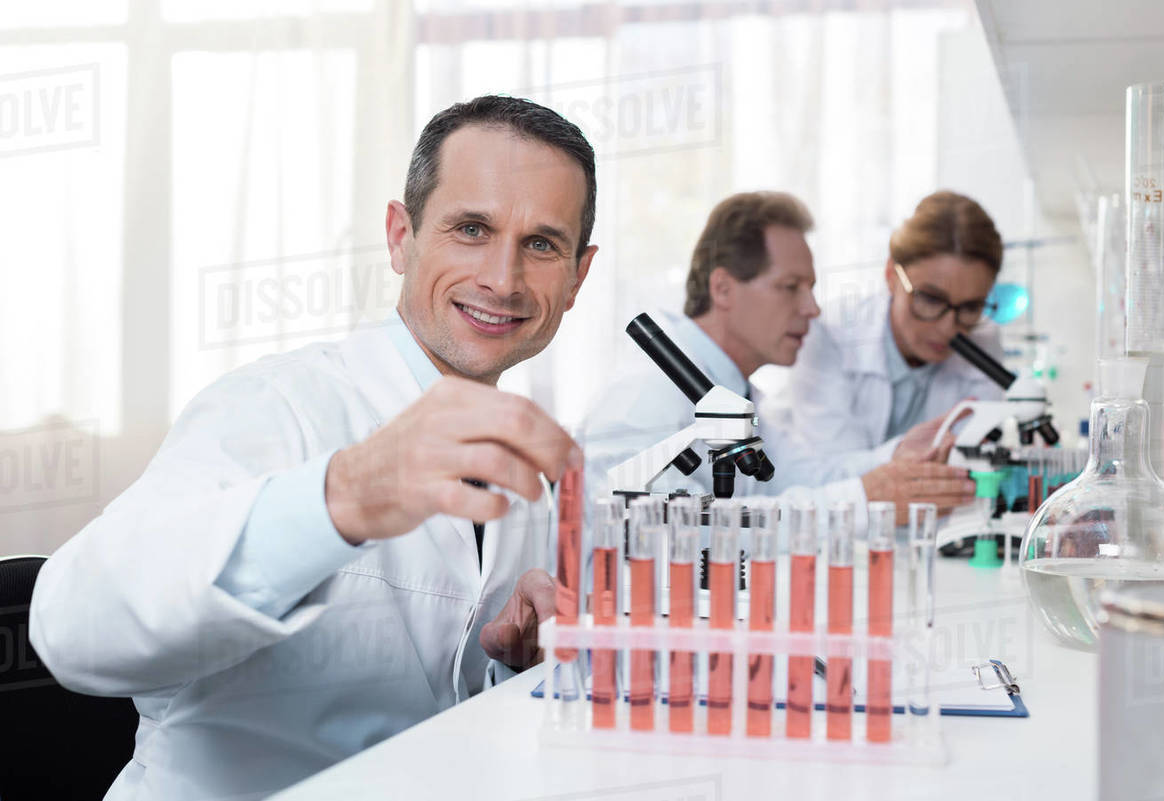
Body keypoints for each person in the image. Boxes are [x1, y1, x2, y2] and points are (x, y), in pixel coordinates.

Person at [29, 95, 597, 800]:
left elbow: (435, 709)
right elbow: (73, 627)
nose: (503, 279)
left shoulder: (531, 458)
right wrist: (343, 496)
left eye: (542, 244)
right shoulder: (275, 407)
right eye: (471, 228)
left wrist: (515, 667)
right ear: (400, 236)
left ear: (578, 275)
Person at [582, 191, 976, 527]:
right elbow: (677, 530)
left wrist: (897, 455)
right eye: (790, 288)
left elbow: (806, 477)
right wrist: (864, 501)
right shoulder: (648, 393)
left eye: (811, 289)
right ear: (722, 288)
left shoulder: (736, 397)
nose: (813, 309)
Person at [759, 190, 1007, 472]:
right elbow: (833, 469)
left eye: (971, 307)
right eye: (930, 299)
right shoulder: (828, 334)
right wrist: (904, 456)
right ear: (891, 275)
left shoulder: (983, 341)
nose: (949, 328)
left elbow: (967, 464)